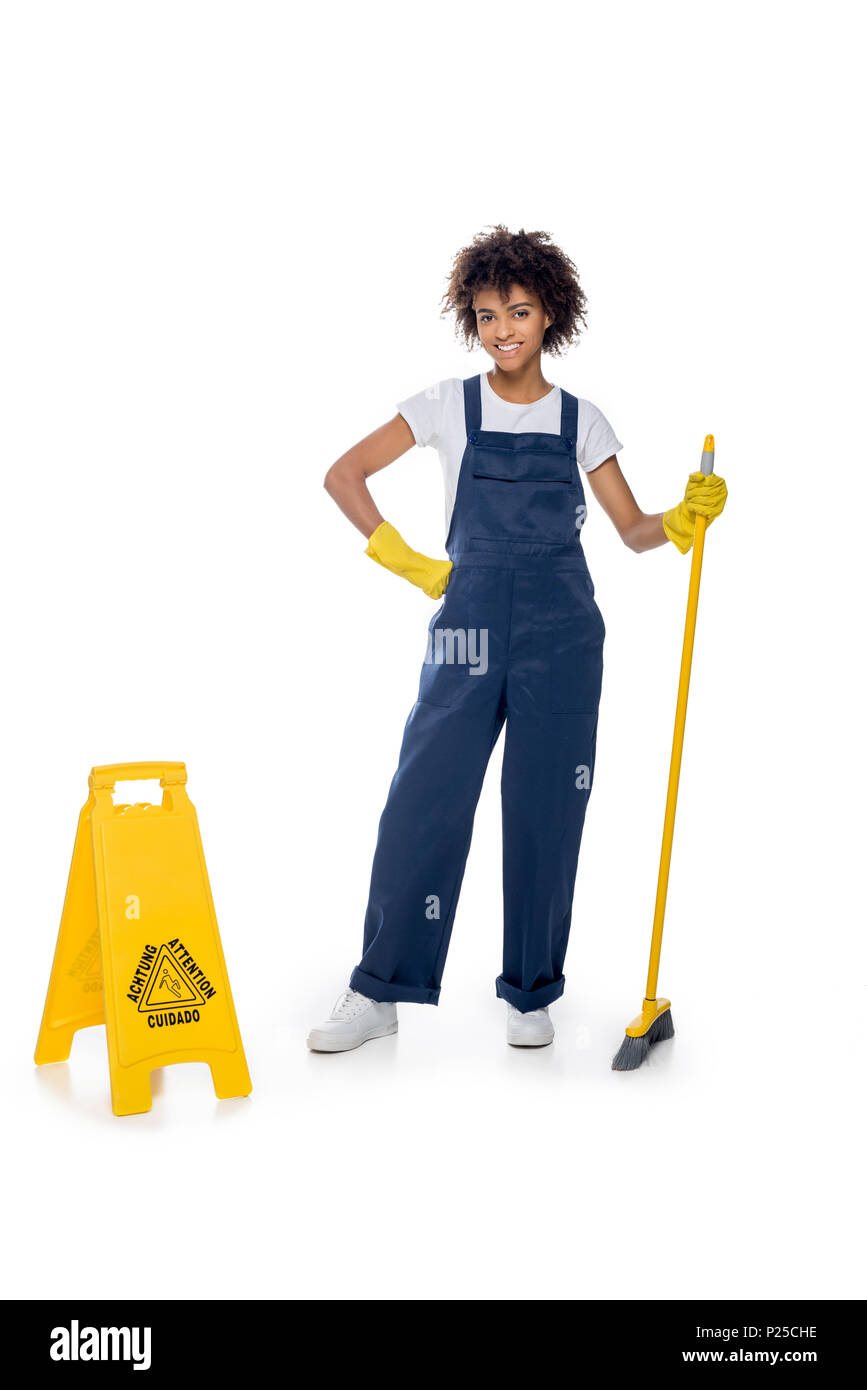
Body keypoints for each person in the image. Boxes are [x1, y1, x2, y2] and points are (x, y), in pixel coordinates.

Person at [308, 225, 727, 1053]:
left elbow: (631, 528)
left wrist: (680, 521)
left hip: (562, 638)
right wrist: (410, 564)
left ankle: (531, 990)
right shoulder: (444, 406)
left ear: (549, 317)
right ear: (472, 318)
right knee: (421, 804)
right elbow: (342, 475)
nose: (502, 327)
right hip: (463, 633)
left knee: (545, 811)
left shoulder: (581, 420)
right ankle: (379, 988)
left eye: (520, 311)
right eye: (487, 312)